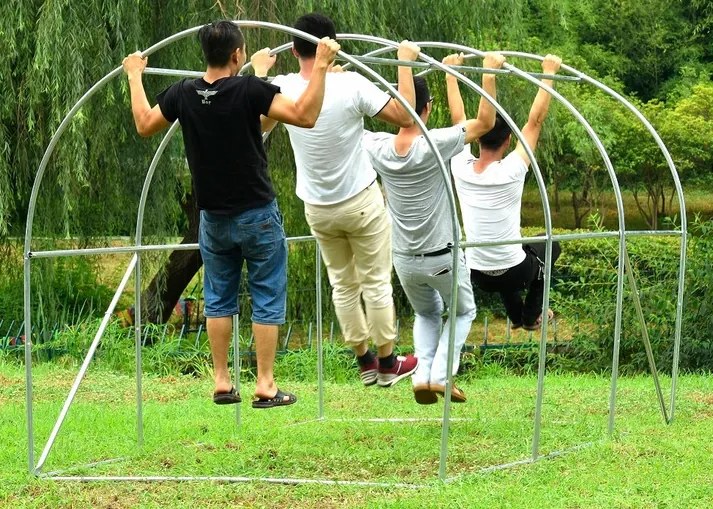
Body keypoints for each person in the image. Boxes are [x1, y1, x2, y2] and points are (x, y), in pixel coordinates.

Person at [122, 20, 340, 408]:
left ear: (205, 54)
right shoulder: (248, 89)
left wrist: (134, 75)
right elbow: (305, 115)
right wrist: (320, 65)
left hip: (213, 219)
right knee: (267, 294)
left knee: (218, 298)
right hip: (256, 213)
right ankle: (266, 383)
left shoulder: (184, 94)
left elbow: (144, 124)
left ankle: (222, 381)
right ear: (237, 55)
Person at [256, 13, 418, 387]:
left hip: (318, 207)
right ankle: (388, 361)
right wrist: (405, 66)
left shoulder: (281, 88)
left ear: (294, 49)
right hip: (360, 201)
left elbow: (256, 128)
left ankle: (364, 361)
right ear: (333, 45)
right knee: (375, 282)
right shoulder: (353, 85)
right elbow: (406, 116)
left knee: (342, 283)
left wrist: (260, 74)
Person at [361, 53, 505, 404]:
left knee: (426, 312)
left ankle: (421, 376)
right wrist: (489, 72)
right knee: (463, 310)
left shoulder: (376, 146)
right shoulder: (434, 143)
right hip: (443, 255)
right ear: (427, 107)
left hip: (405, 259)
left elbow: (343, 125)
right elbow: (485, 122)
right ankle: (440, 376)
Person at [450, 54, 563, 331]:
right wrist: (548, 73)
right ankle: (530, 318)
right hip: (515, 272)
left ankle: (516, 316)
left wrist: (450, 75)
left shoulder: (460, 166)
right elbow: (535, 122)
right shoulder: (512, 169)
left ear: (475, 137)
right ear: (510, 141)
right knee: (550, 246)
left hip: (477, 273)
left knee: (511, 253)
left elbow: (458, 121)